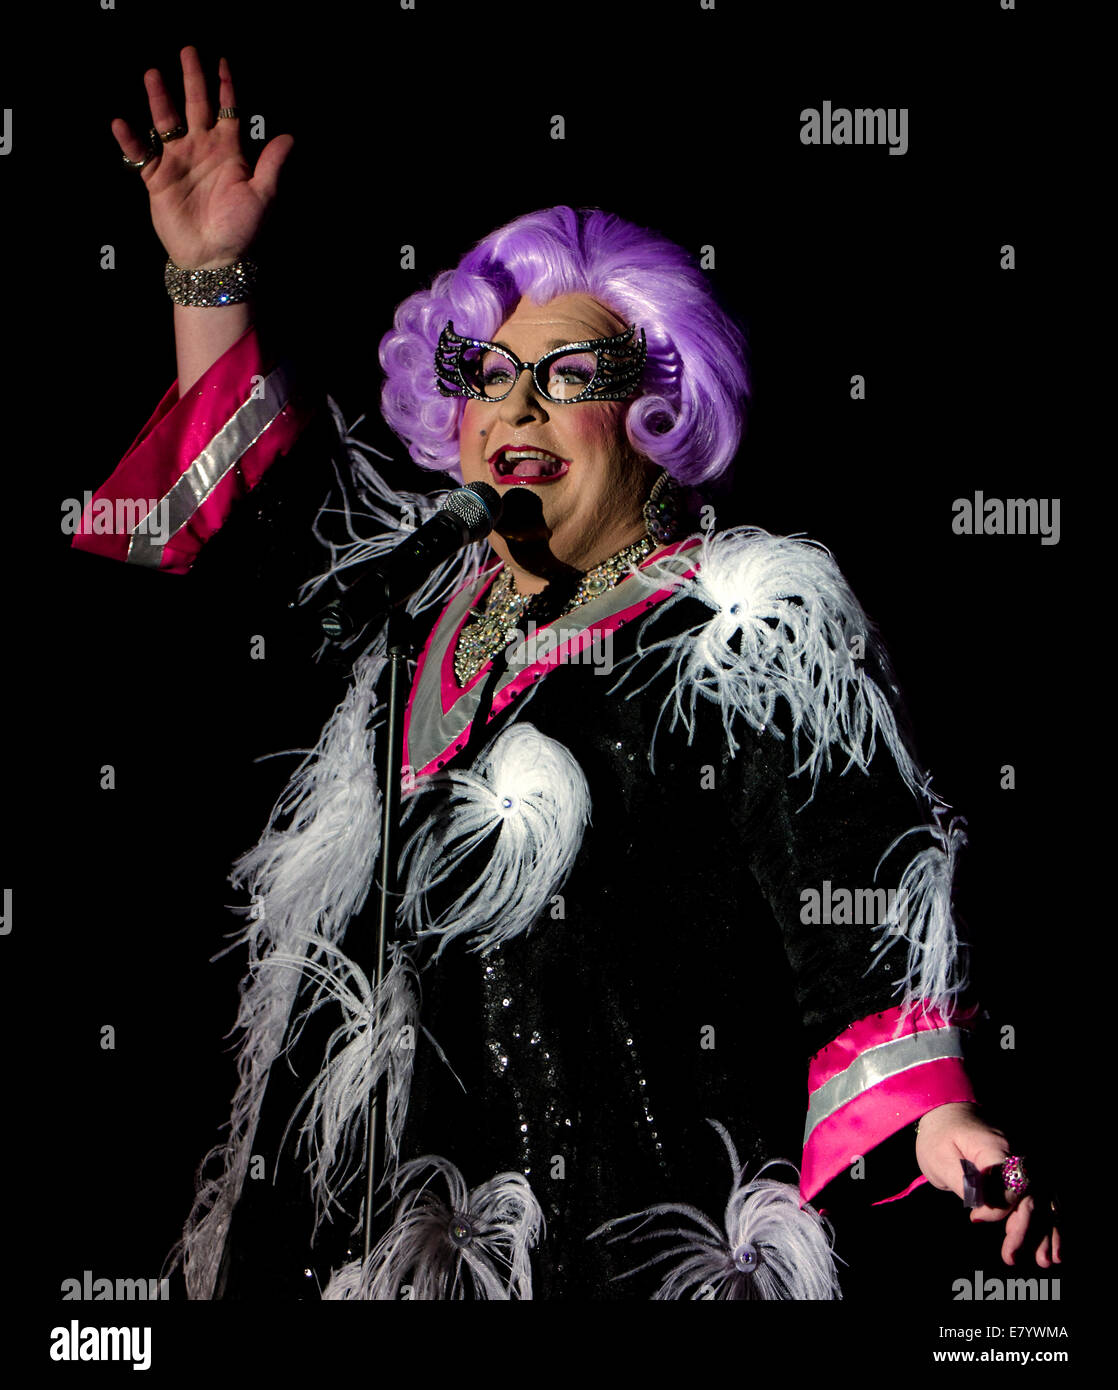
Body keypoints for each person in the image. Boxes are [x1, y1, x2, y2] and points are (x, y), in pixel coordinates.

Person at [76, 46, 1060, 1301]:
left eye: (566, 377)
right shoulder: (422, 597)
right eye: (486, 378)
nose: (515, 410)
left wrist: (936, 1112)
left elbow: (852, 866)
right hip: (368, 1245)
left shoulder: (739, 622)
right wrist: (208, 268)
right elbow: (276, 510)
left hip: (609, 1238)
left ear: (653, 409)